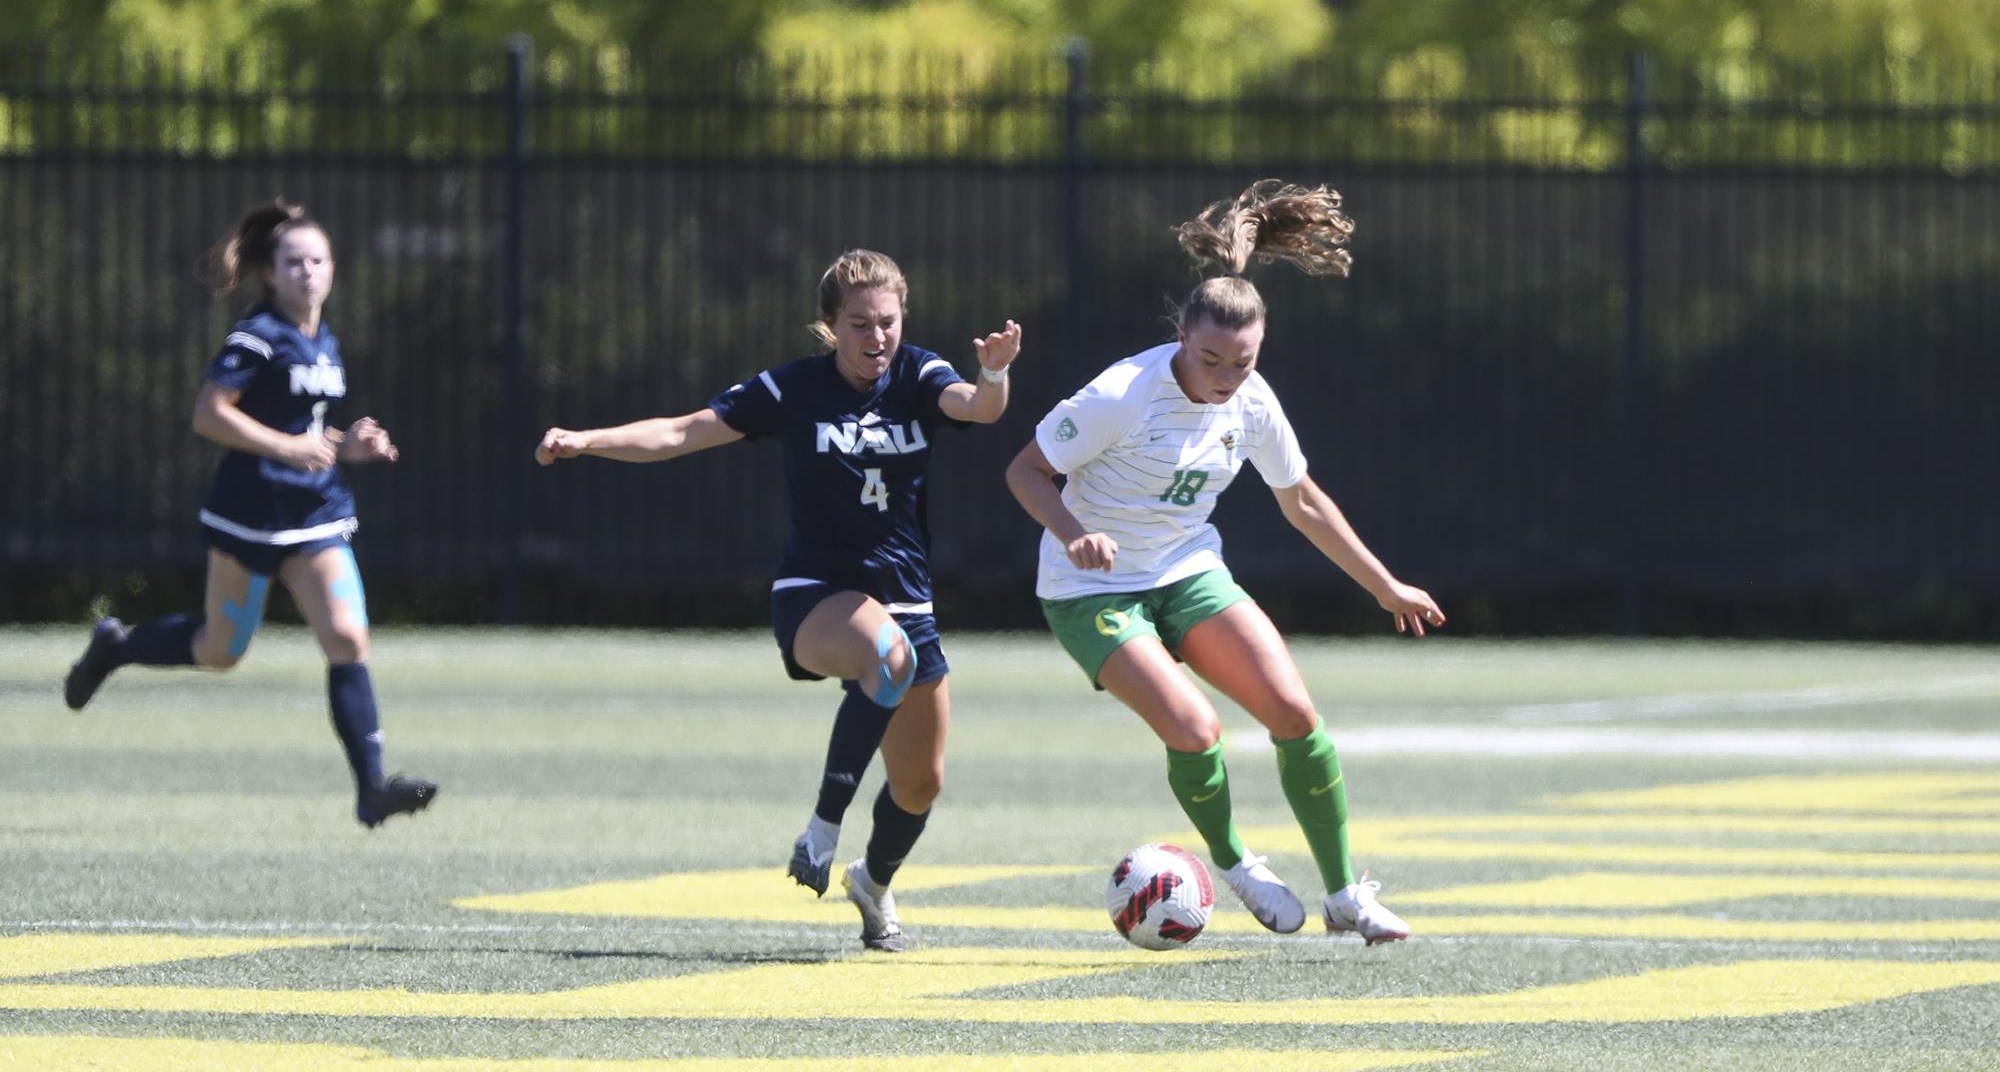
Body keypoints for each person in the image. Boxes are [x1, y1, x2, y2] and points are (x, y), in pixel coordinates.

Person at [535, 248, 1019, 952]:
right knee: (887, 657)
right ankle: (823, 826)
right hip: (818, 594)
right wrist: (586, 440)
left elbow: (979, 407)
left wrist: (996, 369)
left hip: (908, 604)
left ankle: (874, 881)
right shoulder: (794, 388)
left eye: (886, 322)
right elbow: (682, 431)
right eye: (859, 323)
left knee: (920, 786)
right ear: (830, 325)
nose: (875, 337)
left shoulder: (917, 372)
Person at [1004, 180, 1443, 944]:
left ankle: (1344, 894)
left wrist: (1385, 585)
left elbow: (1301, 500)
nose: (1226, 376)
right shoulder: (1122, 392)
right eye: (1211, 359)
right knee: (1196, 728)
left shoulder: (1252, 401)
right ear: (1181, 336)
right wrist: (1073, 529)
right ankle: (1236, 863)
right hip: (1092, 587)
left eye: (1243, 362)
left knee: (1296, 715)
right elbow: (1024, 472)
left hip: (1186, 572)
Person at [63, 198, 438, 830]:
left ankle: (372, 787)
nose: (308, 272)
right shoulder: (256, 335)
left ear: (334, 268)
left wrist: (350, 446)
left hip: (315, 513)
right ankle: (117, 648)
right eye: (293, 262)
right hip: (249, 515)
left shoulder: (324, 339)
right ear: (269, 273)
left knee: (348, 638)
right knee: (220, 649)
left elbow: (308, 428)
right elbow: (210, 414)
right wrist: (288, 447)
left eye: (318, 260)